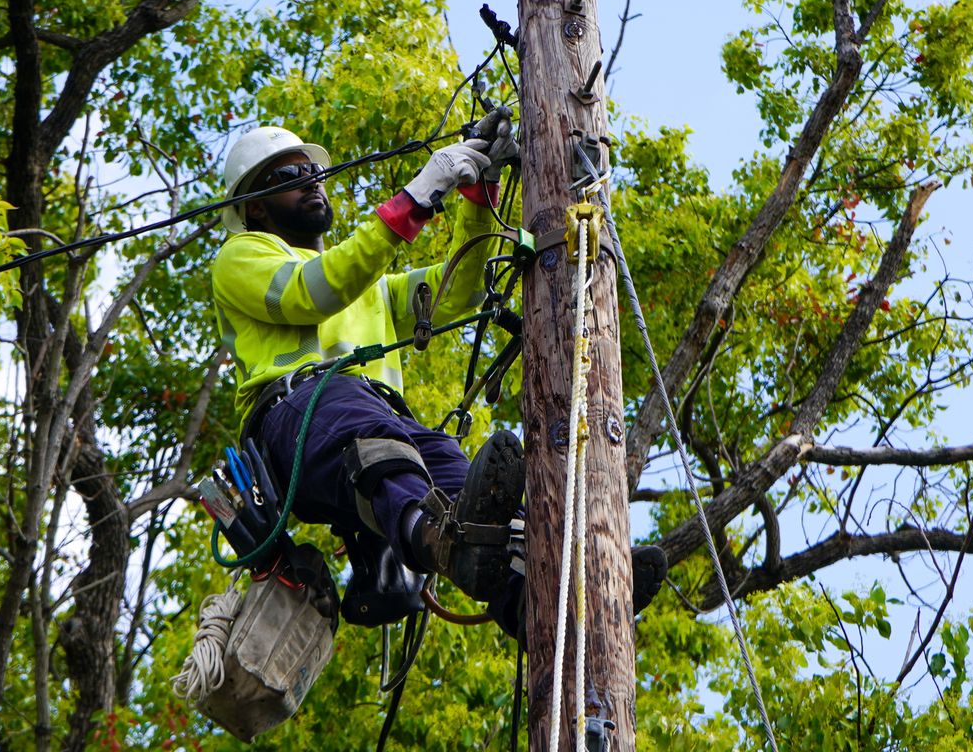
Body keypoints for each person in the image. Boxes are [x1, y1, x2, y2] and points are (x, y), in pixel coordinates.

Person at [208, 115, 665, 638]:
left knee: (454, 471)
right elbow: (312, 291)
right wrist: (416, 198)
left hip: (371, 416)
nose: (312, 179)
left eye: (313, 170)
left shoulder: (370, 287)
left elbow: (455, 293)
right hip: (300, 419)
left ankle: (540, 599)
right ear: (255, 208)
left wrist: (478, 195)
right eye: (288, 176)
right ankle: (439, 541)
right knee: (380, 447)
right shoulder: (241, 256)